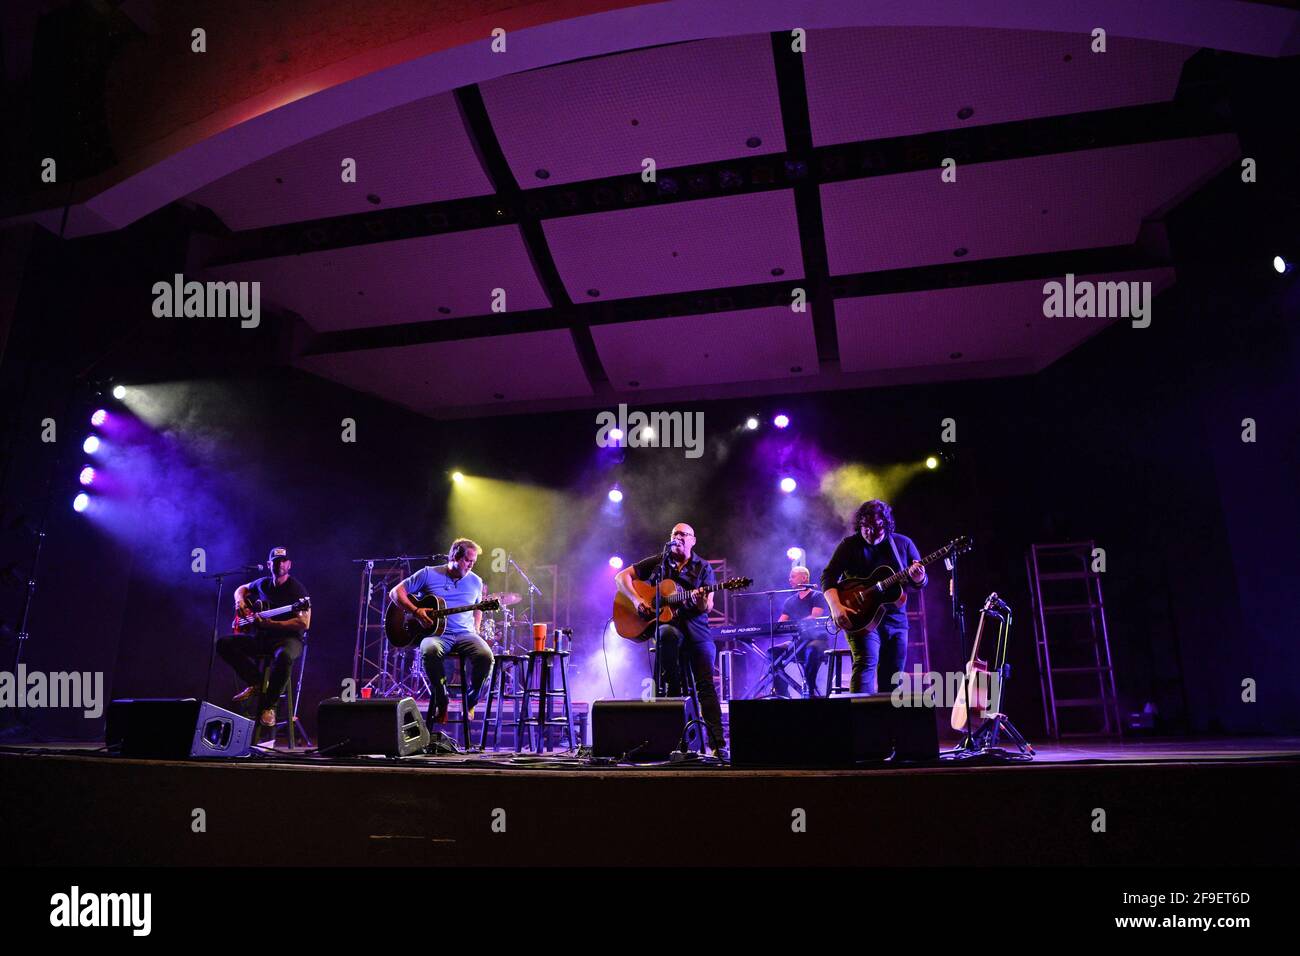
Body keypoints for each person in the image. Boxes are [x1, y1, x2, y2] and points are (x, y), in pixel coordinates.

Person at [614, 522, 727, 757]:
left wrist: (700, 599)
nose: (678, 538)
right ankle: (673, 696)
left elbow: (708, 606)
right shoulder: (659, 562)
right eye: (675, 534)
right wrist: (637, 601)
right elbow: (621, 577)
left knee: (705, 684)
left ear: (693, 540)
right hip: (669, 630)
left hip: (697, 631)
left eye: (683, 534)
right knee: (665, 633)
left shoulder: (703, 568)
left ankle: (718, 744)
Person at [821, 500, 926, 694]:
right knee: (865, 665)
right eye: (866, 527)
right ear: (860, 525)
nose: (871, 532)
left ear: (886, 525)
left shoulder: (902, 543)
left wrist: (919, 578)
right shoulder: (849, 545)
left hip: (895, 620)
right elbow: (828, 577)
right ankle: (860, 721)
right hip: (859, 616)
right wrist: (836, 607)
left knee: (893, 676)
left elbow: (917, 584)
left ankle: (887, 722)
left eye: (877, 527)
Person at [389, 538, 493, 725]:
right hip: (436, 635)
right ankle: (441, 699)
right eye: (467, 560)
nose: (471, 565)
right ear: (454, 556)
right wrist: (416, 611)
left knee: (486, 656)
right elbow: (395, 593)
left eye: (473, 562)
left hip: (465, 634)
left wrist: (476, 628)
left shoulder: (476, 581)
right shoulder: (428, 573)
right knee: (429, 650)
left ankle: (470, 701)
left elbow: (478, 607)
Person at [218, 547, 310, 728]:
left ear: (289, 564)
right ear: (269, 565)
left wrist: (272, 624)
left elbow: (304, 623)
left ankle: (269, 707)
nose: (280, 564)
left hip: (288, 639)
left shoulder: (297, 590)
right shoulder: (262, 584)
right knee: (224, 644)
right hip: (263, 639)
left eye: (283, 561)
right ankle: (257, 682)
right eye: (276, 561)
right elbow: (241, 589)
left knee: (283, 656)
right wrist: (240, 602)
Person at [767, 565, 828, 697]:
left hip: (817, 640)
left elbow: (815, 616)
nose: (790, 579)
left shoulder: (817, 596)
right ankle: (782, 693)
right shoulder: (790, 601)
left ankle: (809, 690)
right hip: (798, 641)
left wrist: (797, 623)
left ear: (804, 577)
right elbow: (781, 622)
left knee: (811, 650)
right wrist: (769, 628)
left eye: (793, 576)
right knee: (772, 652)